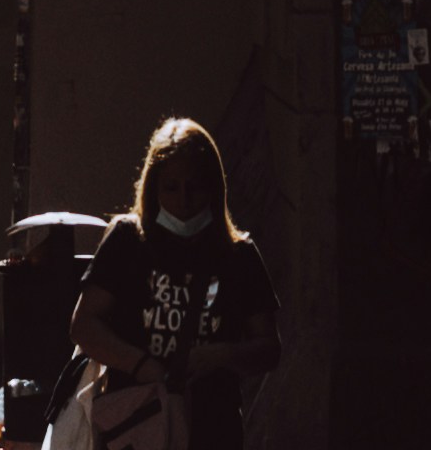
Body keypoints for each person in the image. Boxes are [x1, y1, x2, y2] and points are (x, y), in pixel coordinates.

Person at [70, 119, 281, 450]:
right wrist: (141, 365)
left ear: (213, 188)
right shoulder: (127, 241)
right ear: (153, 189)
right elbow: (84, 325)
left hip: (213, 427)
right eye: (171, 188)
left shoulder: (239, 256)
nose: (184, 200)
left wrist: (222, 355)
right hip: (137, 422)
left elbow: (269, 347)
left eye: (194, 187)